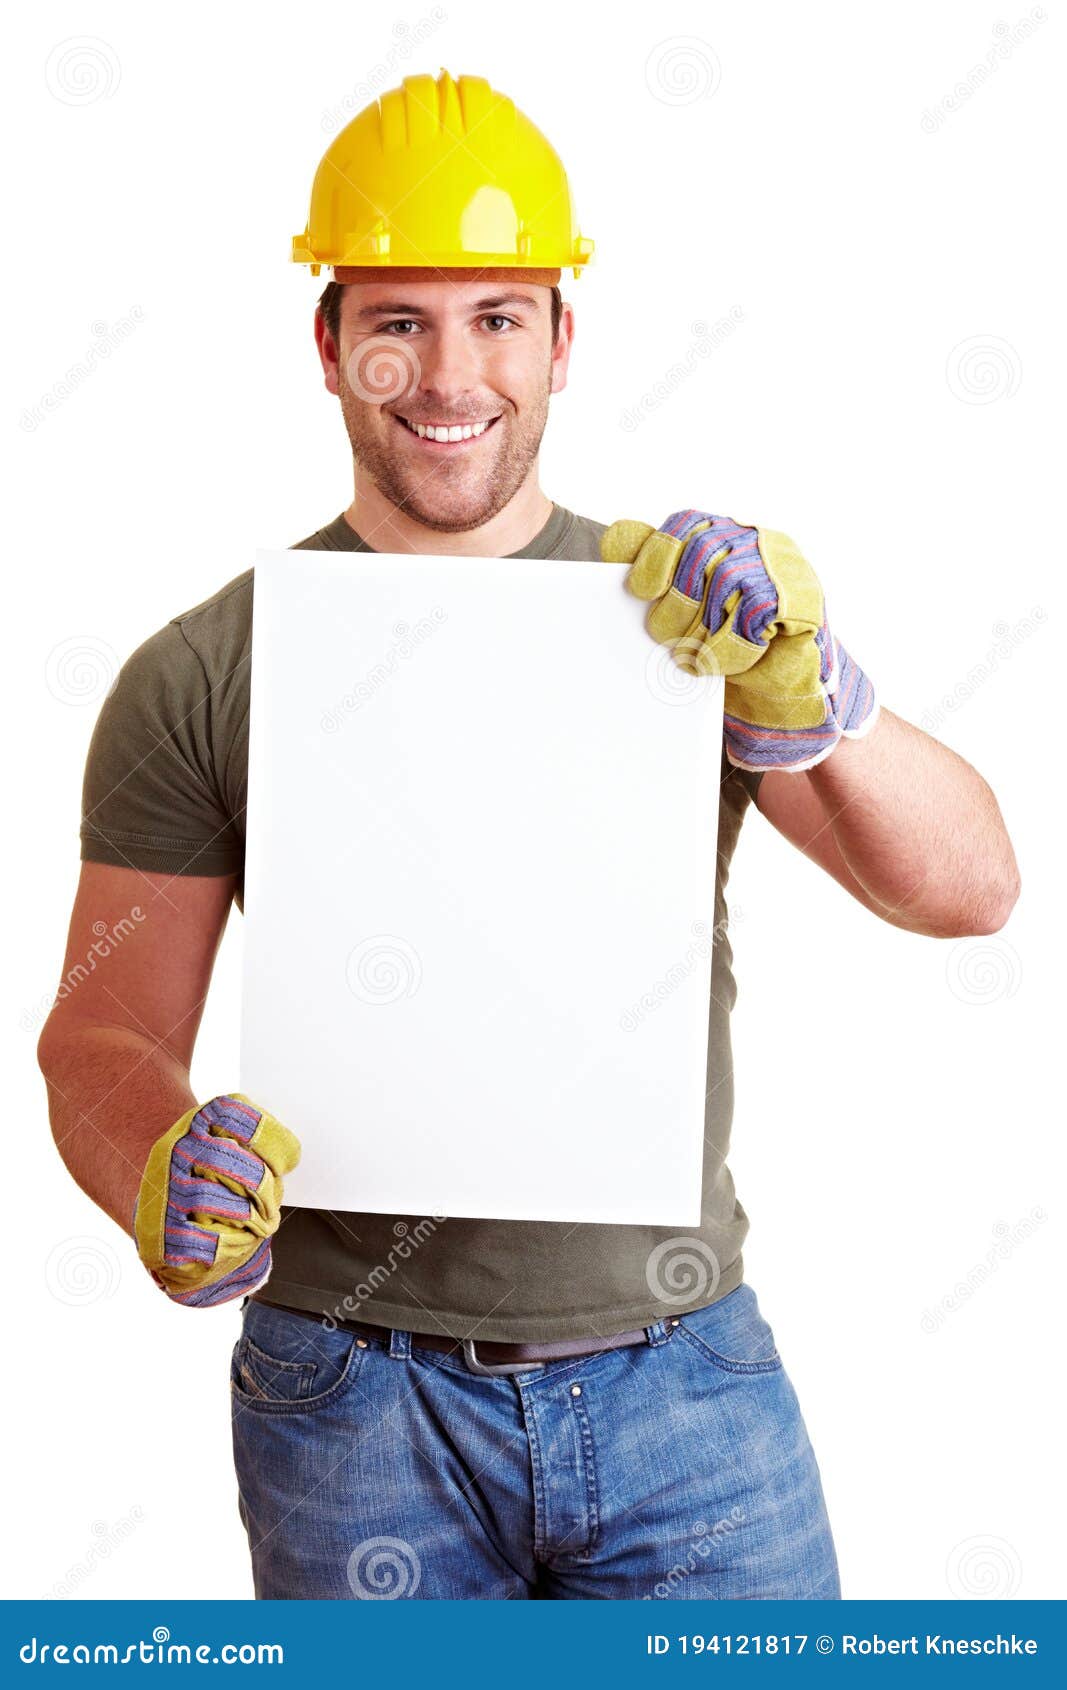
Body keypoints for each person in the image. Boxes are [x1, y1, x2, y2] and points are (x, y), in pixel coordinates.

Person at [37, 70, 1020, 1601]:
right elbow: (99, 1033)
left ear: (564, 339)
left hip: (683, 1382)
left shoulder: (688, 613)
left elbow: (973, 888)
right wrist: (155, 1161)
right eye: (401, 319)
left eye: (498, 314)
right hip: (350, 1402)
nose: (450, 371)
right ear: (326, 342)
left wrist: (812, 695)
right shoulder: (208, 667)